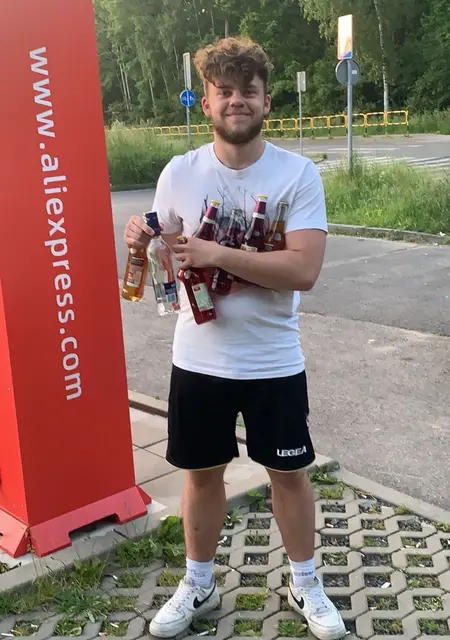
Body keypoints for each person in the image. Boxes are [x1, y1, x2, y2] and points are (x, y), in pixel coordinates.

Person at [124, 36, 345, 640]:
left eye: (248, 90)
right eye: (224, 91)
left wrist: (218, 253)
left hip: (274, 361)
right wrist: (143, 245)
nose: (236, 101)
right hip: (198, 359)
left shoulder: (297, 174)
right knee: (201, 475)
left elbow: (303, 270)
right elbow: (167, 257)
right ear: (208, 104)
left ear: (266, 102)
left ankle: (305, 583)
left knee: (289, 476)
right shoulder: (180, 173)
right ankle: (199, 582)